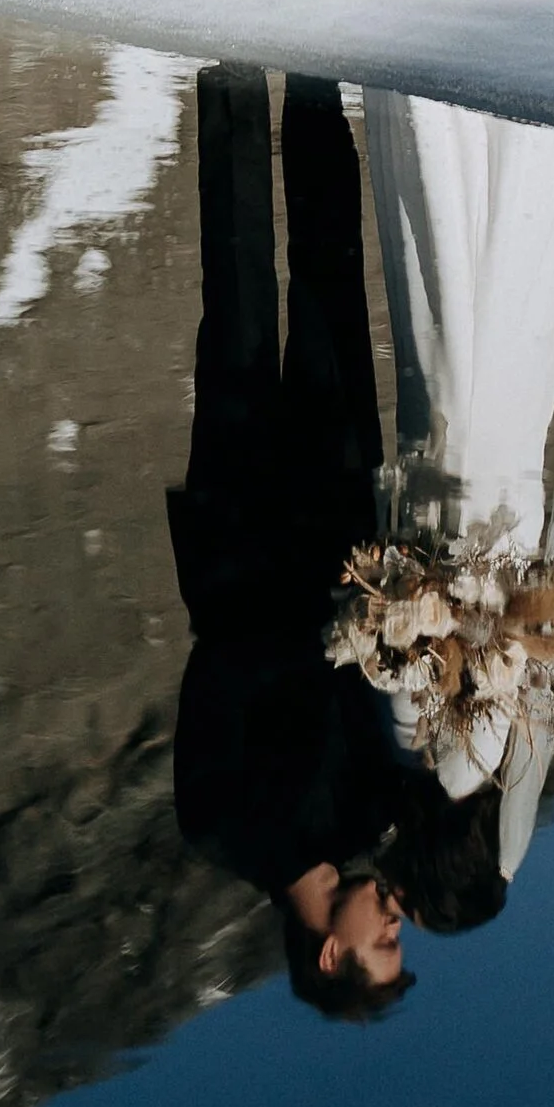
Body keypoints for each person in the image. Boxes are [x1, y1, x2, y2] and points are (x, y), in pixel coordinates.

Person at [168, 64, 415, 1017]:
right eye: (399, 936)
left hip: (242, 536)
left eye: (382, 941)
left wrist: (322, 646)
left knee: (235, 288)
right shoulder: (374, 814)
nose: (394, 920)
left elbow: (217, 678)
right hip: (337, 522)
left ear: (327, 956)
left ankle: (231, 76)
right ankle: (314, 74)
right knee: (331, 289)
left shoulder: (223, 830)